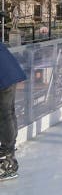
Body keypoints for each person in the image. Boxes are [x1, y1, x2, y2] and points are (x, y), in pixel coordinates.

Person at [0, 42, 25, 181]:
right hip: (8, 72)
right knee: (8, 113)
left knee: (5, 115)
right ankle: (8, 154)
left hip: (4, 76)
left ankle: (7, 159)